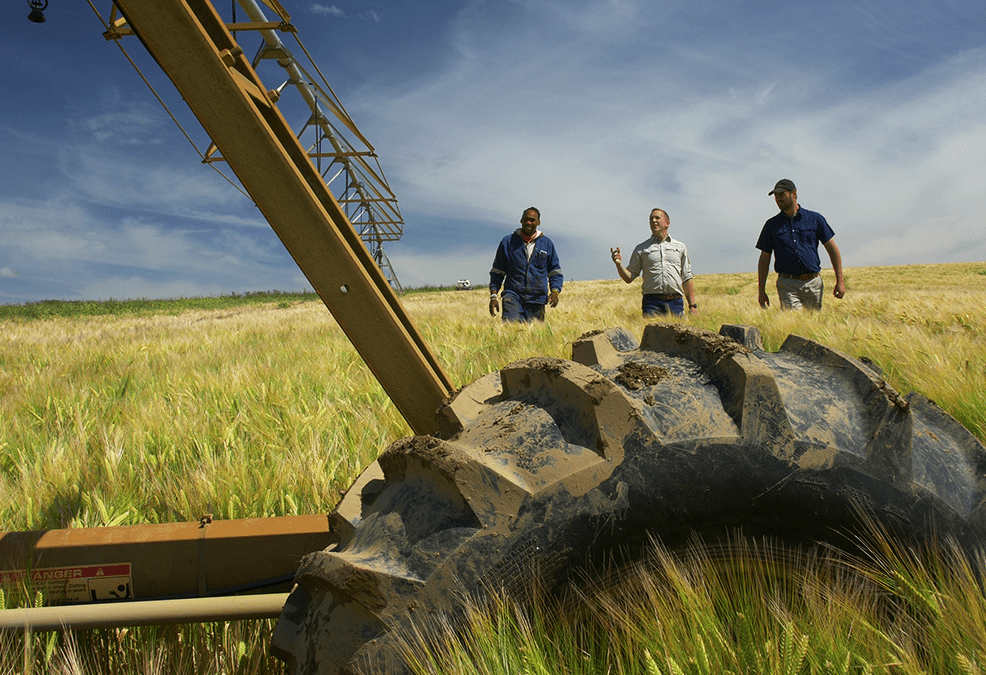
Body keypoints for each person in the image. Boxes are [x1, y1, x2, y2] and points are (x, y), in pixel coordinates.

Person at [755, 179, 845, 310]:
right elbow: (764, 258)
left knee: (813, 325)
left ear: (794, 193)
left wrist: (840, 281)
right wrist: (761, 291)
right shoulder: (771, 225)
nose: (778, 199)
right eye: (776, 196)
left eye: (782, 194)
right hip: (787, 284)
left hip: (813, 283)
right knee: (793, 323)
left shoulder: (815, 219)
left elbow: (832, 249)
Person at [610, 208, 698, 317]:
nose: (653, 221)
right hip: (652, 303)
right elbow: (629, 277)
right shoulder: (641, 248)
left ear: (667, 223)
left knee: (677, 334)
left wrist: (692, 305)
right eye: (651, 219)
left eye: (657, 218)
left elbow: (686, 277)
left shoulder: (680, 247)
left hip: (676, 303)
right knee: (652, 334)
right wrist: (618, 265)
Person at [489, 207, 564, 322]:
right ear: (521, 221)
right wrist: (493, 296)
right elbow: (497, 272)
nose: (529, 223)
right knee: (511, 332)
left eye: (532, 220)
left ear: (538, 222)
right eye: (526, 219)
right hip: (512, 296)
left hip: (537, 298)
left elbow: (555, 272)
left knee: (535, 337)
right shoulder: (508, 242)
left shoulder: (546, 244)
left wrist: (555, 291)